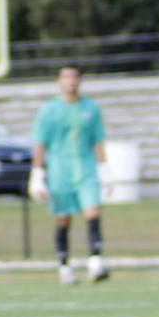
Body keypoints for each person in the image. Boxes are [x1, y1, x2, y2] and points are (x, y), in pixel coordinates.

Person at [29, 65, 110, 284]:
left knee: (93, 212)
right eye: (66, 77)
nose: (70, 81)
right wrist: (37, 174)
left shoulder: (90, 108)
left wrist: (105, 171)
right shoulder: (49, 110)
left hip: (86, 167)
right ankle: (64, 265)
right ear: (59, 81)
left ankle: (95, 261)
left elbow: (98, 140)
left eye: (74, 77)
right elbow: (40, 142)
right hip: (59, 170)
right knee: (63, 219)